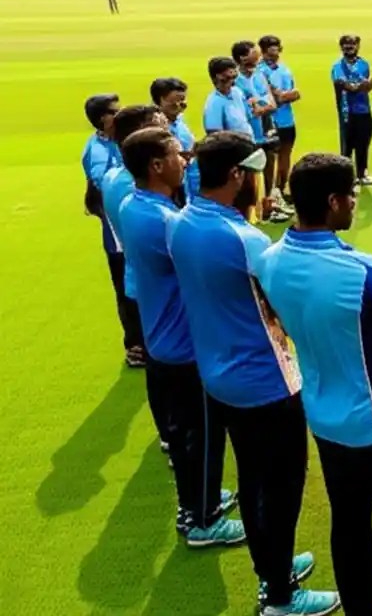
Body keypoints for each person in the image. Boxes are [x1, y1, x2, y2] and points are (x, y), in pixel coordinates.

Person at [167, 132, 339, 616]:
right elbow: (283, 305)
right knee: (280, 490)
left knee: (252, 480)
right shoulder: (245, 239)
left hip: (219, 378)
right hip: (265, 384)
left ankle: (275, 568)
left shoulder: (181, 223)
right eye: (254, 171)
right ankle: (280, 596)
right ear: (239, 176)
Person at [254, 153, 372, 616]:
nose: (354, 202)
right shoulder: (362, 269)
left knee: (350, 527)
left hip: (327, 422)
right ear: (333, 202)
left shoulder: (270, 260)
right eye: (350, 195)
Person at [116, 126, 243, 546]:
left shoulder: (134, 205)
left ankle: (198, 500)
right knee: (203, 437)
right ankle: (202, 520)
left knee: (189, 436)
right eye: (175, 155)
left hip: (161, 338)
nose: (184, 161)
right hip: (187, 347)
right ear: (156, 165)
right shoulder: (167, 221)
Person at [103, 105, 173, 442]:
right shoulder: (132, 189)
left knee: (157, 359)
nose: (165, 132)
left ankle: (169, 430)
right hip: (153, 284)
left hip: (141, 281)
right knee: (162, 363)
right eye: (156, 128)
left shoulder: (116, 178)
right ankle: (171, 431)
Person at [81, 92, 145, 367]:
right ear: (101, 119)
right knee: (126, 289)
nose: (118, 115)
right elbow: (101, 182)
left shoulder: (119, 143)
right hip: (117, 234)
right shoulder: (97, 150)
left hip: (127, 228)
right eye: (113, 111)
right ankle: (134, 347)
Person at [233, 40, 291, 223]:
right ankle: (249, 212)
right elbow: (245, 108)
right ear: (242, 58)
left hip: (267, 130)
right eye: (254, 53)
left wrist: (260, 107)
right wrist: (259, 106)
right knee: (249, 175)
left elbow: (271, 104)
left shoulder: (258, 76)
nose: (258, 57)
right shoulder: (235, 80)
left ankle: (269, 207)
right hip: (249, 134)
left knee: (269, 168)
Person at [260, 35, 303, 207]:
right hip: (270, 122)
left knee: (285, 156)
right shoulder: (260, 72)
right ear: (263, 52)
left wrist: (285, 96)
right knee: (269, 161)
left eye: (277, 51)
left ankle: (281, 191)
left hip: (287, 120)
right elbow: (277, 97)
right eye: (270, 52)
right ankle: (269, 195)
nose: (274, 55)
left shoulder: (284, 69)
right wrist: (285, 96)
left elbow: (293, 94)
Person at [333, 34, 372, 185]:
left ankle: (362, 174)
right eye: (346, 44)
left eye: (353, 44)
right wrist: (360, 86)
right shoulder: (337, 66)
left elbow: (370, 84)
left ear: (358, 46)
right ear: (341, 47)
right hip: (347, 112)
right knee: (347, 147)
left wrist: (364, 86)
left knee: (363, 143)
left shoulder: (364, 64)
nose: (350, 47)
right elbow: (346, 86)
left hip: (364, 109)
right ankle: (347, 178)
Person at [150, 77, 200, 203]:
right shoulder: (153, 127)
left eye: (182, 100)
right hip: (172, 186)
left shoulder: (180, 119)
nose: (178, 105)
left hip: (189, 181)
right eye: (173, 102)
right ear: (159, 101)